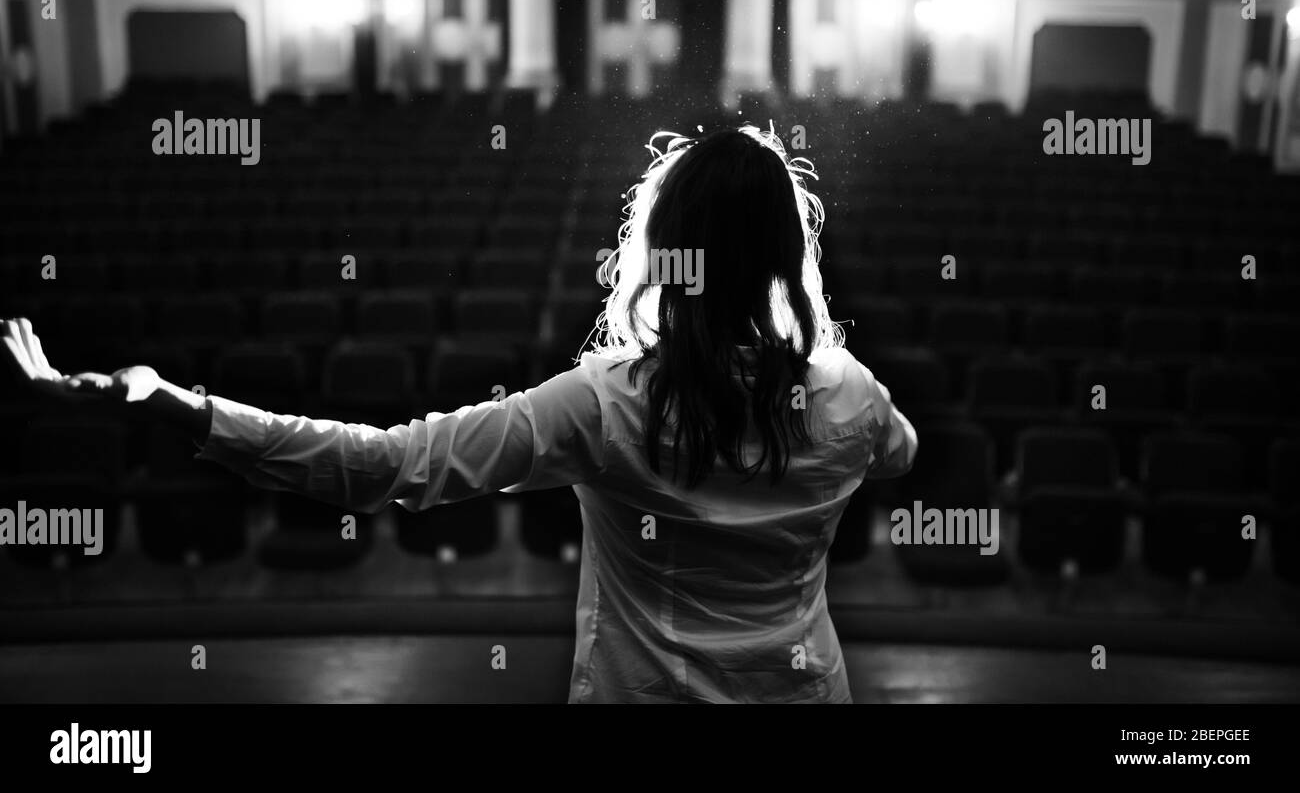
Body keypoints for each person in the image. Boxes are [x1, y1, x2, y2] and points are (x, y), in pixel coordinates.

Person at [2, 124, 917, 703]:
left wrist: (180, 405)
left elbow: (381, 467)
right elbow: (898, 456)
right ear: (786, 256)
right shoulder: (850, 393)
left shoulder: (604, 405)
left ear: (667, 254)